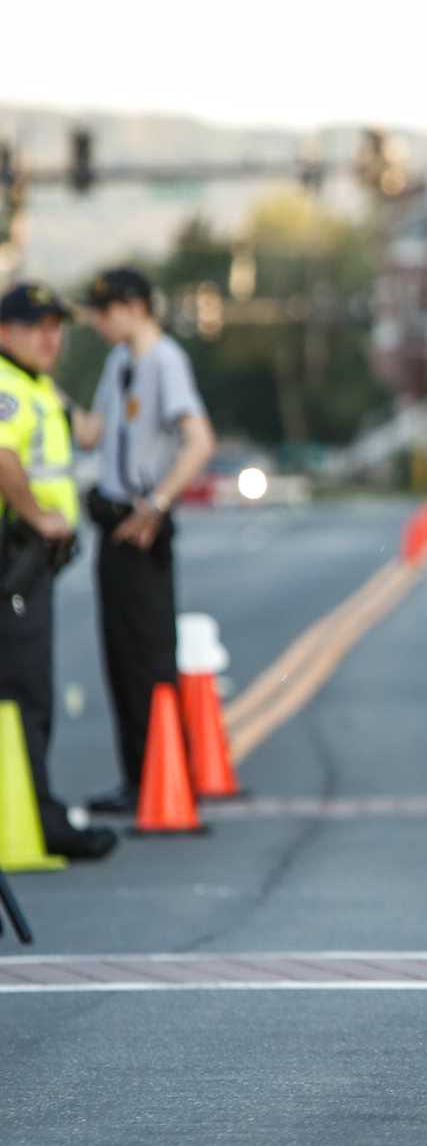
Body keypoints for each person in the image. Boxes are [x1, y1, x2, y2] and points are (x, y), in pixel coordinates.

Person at [78, 269, 215, 815]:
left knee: (147, 654)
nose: (96, 322)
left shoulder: (163, 360)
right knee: (120, 653)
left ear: (134, 306)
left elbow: (199, 441)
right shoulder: (120, 363)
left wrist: (158, 502)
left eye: (103, 310)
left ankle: (163, 770)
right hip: (113, 519)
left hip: (141, 521)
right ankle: (138, 774)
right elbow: (92, 432)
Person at [0, 284, 118, 860]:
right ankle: (34, 820)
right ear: (4, 331)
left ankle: (31, 811)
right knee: (25, 692)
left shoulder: (33, 385)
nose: (51, 336)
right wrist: (38, 516)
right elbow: (1, 456)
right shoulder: (8, 388)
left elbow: (84, 431)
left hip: (27, 561)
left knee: (26, 689)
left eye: (57, 325)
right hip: (12, 555)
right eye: (36, 325)